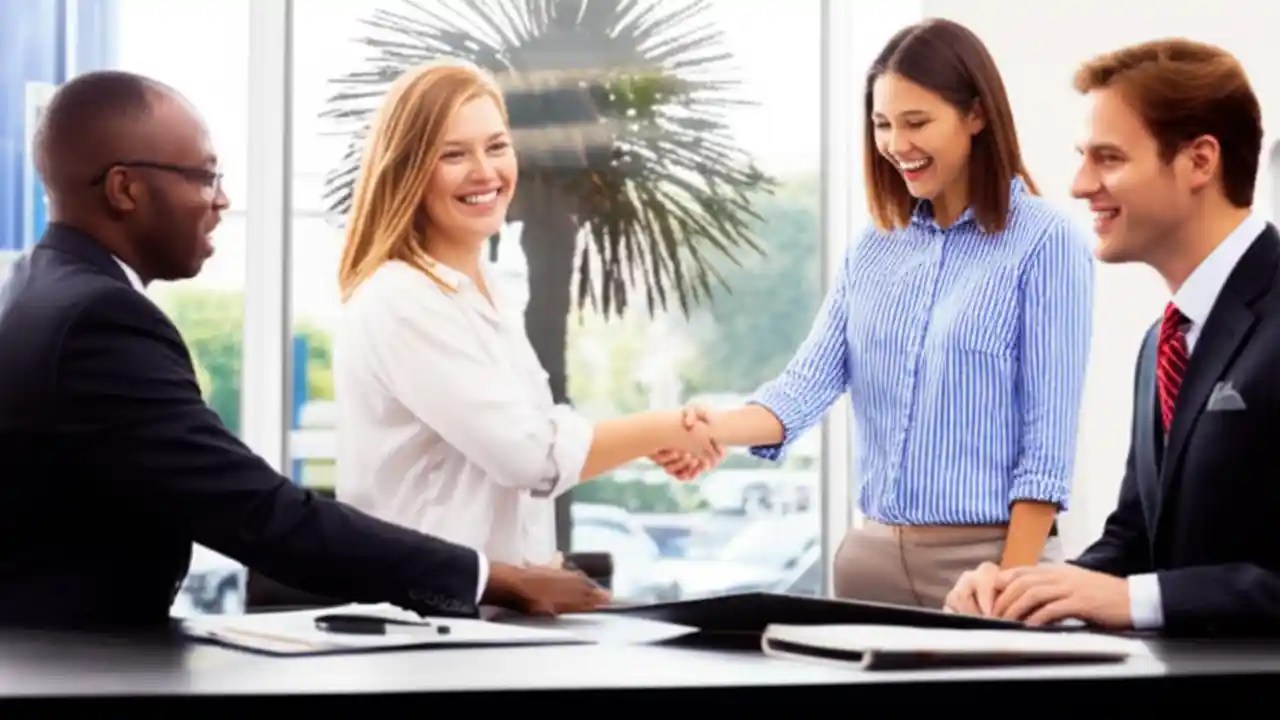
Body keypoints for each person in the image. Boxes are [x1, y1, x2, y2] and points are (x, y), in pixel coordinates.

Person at [0, 69, 610, 628]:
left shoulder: (42, 289)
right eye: (204, 176)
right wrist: (492, 577)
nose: (221, 199)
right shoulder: (98, 319)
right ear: (125, 189)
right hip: (72, 668)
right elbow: (257, 513)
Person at [659, 18, 1095, 609]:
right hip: (872, 566)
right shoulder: (874, 248)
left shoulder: (1044, 242)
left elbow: (1046, 450)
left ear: (976, 115)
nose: (896, 144)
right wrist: (711, 429)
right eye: (883, 124)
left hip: (988, 565)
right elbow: (802, 387)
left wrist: (1009, 587)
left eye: (917, 122)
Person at [945, 38, 1280, 636]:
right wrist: (1028, 588)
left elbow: (1143, 590)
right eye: (1083, 156)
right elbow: (1134, 544)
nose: (1078, 184)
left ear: (1201, 161)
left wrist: (1131, 602)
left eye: (1108, 158)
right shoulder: (1164, 341)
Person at [331, 59, 719, 570]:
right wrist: (661, 428)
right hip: (426, 630)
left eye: (496, 146)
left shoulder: (487, 292)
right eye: (453, 155)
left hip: (493, 621)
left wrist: (647, 441)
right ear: (407, 170)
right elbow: (530, 458)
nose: (486, 172)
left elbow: (533, 430)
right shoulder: (402, 301)